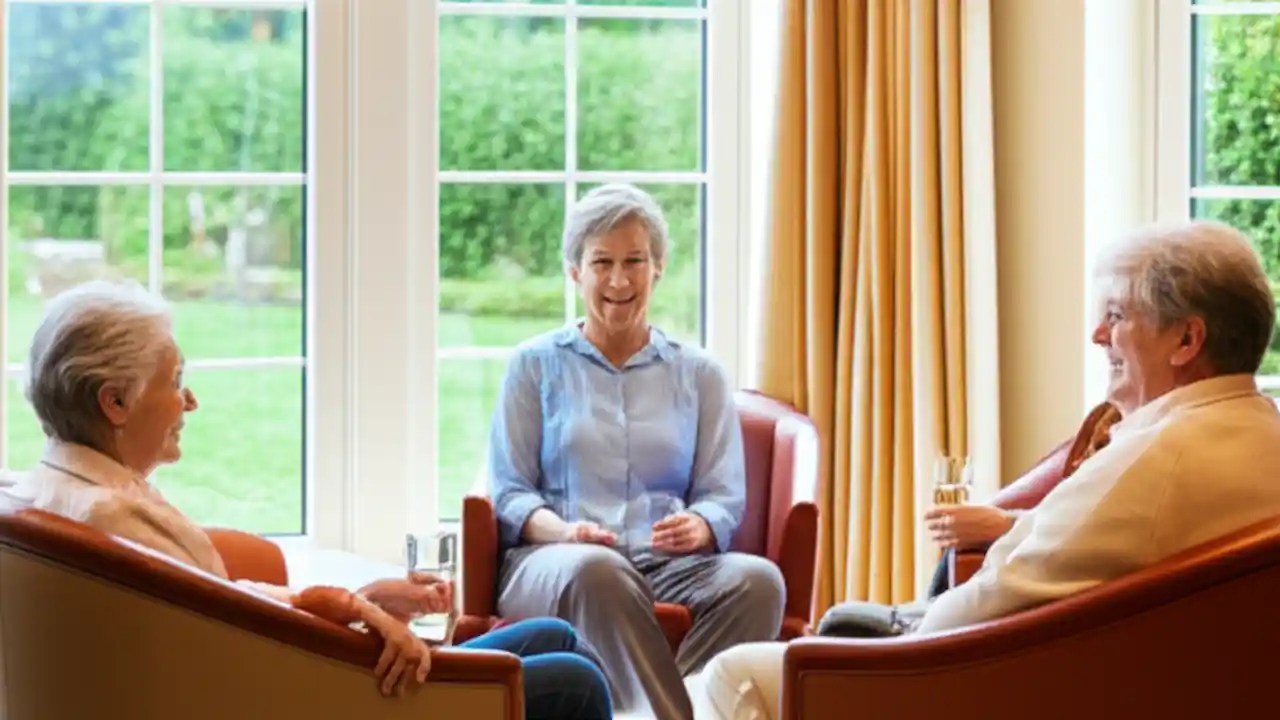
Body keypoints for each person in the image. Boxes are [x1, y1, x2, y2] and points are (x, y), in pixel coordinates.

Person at [691, 219, 1280, 719]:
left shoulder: (1154, 459)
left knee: (733, 673)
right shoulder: (1260, 432)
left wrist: (900, 642)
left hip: (1001, 689)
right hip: (1143, 684)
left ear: (1187, 339)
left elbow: (985, 605)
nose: (1099, 334)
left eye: (1118, 315)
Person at [0, 280, 611, 720]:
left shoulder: (53, 493)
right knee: (574, 680)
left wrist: (360, 601)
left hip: (283, 670)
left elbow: (218, 606)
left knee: (553, 635)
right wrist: (359, 619)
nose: (189, 403)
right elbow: (240, 640)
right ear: (115, 403)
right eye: (176, 381)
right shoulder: (113, 520)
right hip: (307, 693)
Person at [489, 183, 786, 720]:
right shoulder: (533, 365)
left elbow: (722, 494)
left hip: (665, 564)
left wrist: (700, 524)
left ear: (659, 268)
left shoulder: (699, 373)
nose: (619, 280)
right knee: (600, 570)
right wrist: (563, 531)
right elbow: (509, 491)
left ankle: (673, 709)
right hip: (556, 563)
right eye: (602, 262)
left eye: (635, 261)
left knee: (759, 581)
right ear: (575, 271)